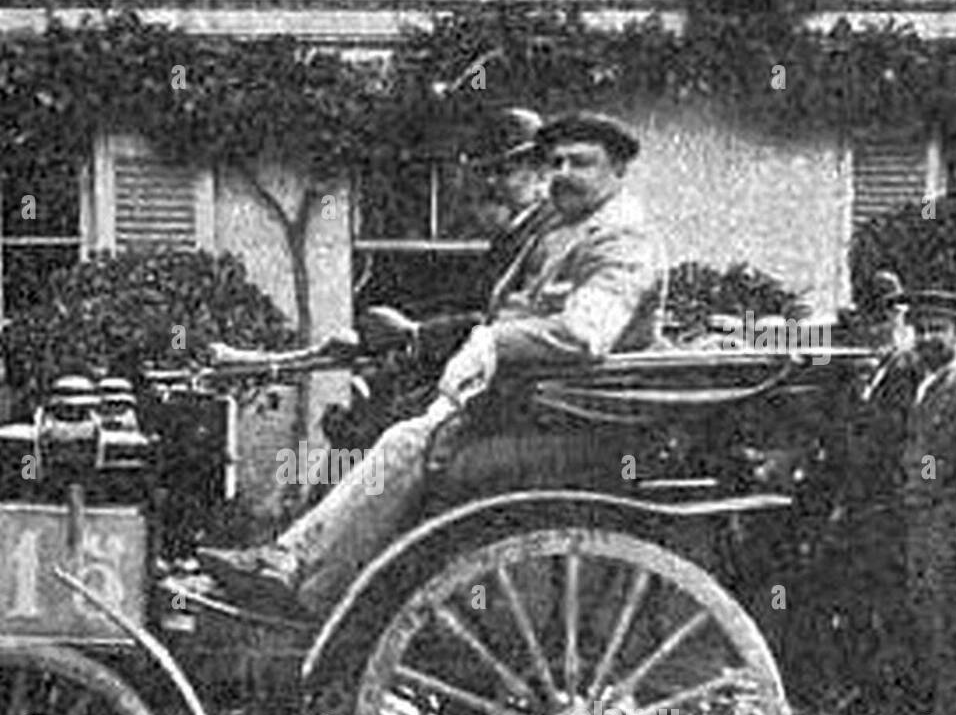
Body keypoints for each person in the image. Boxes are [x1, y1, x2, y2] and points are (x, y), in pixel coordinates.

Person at [200, 111, 668, 613]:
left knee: (408, 443)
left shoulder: (620, 239)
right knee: (401, 432)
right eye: (556, 162)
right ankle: (299, 566)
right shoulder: (572, 230)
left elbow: (583, 334)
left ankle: (303, 580)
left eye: (582, 163)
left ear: (618, 171)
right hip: (547, 412)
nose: (563, 174)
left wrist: (490, 344)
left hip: (585, 433)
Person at [899, 290, 956, 715]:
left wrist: (942, 487)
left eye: (938, 329)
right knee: (928, 633)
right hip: (924, 520)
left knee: (955, 638)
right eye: (922, 328)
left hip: (953, 524)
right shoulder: (923, 380)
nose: (929, 337)